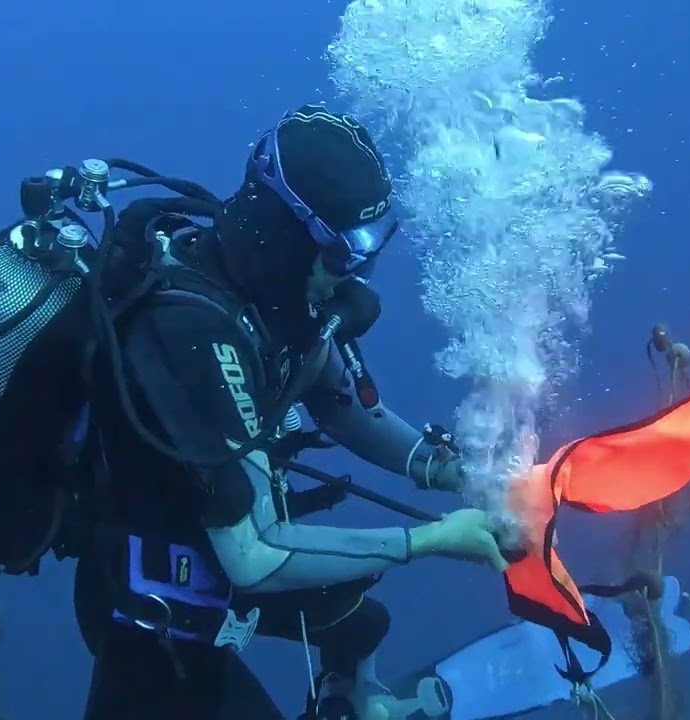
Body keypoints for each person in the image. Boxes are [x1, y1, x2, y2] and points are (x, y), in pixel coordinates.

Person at [72, 104, 511, 720]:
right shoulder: (192, 333)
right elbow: (254, 557)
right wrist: (433, 539)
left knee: (362, 623)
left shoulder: (273, 302)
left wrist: (453, 472)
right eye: (342, 254)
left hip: (219, 566)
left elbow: (345, 411)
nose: (352, 277)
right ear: (285, 235)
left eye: (366, 254)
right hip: (152, 610)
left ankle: (351, 701)